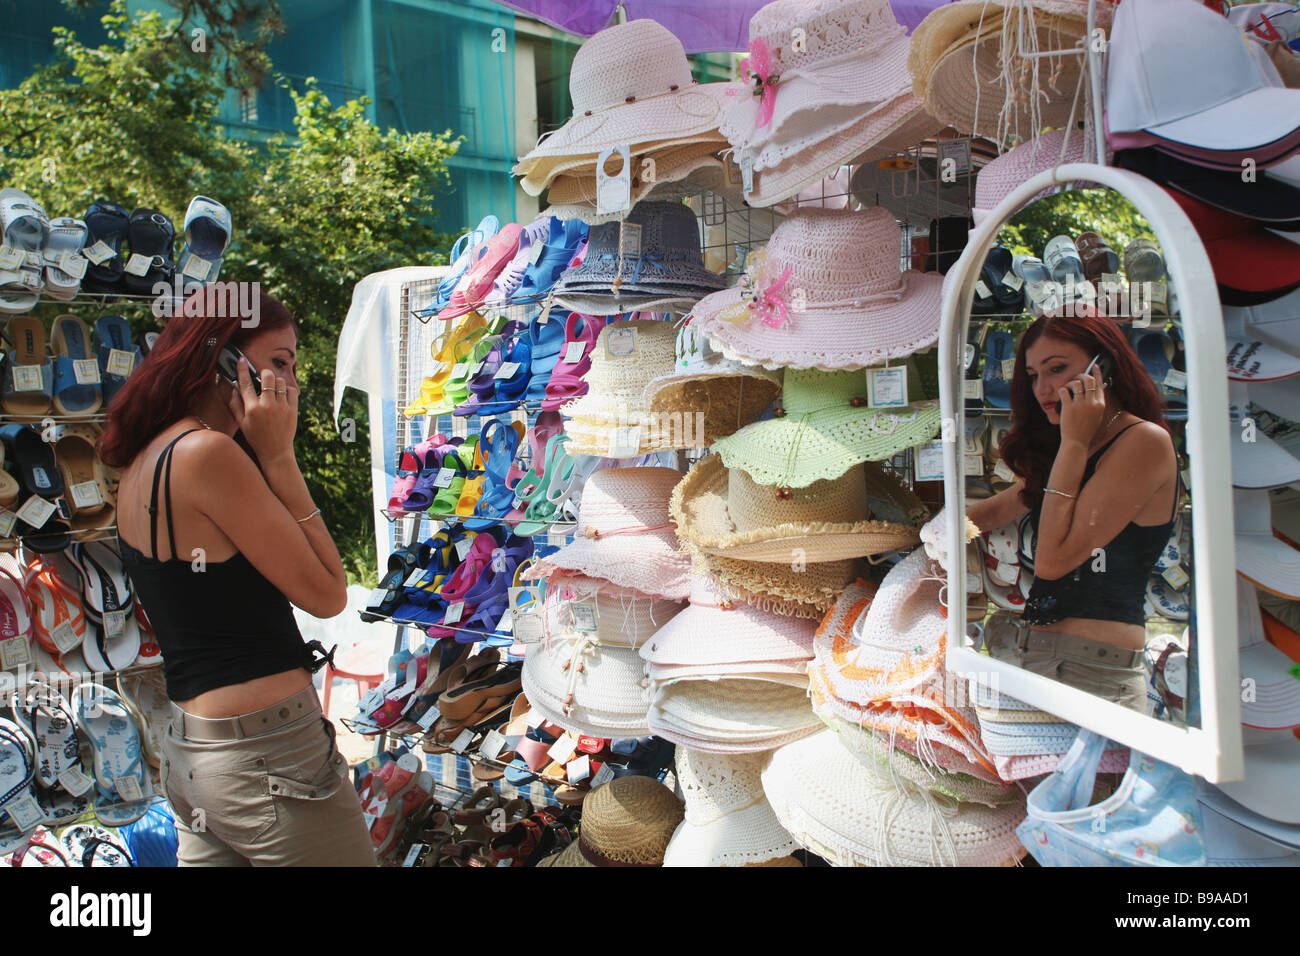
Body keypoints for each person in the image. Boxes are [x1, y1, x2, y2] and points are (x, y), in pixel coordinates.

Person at [98, 287, 375, 866]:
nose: (290, 382)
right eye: (277, 362)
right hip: (270, 758)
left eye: (293, 367)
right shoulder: (209, 456)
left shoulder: (145, 461)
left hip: (196, 756)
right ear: (224, 358)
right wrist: (278, 458)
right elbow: (328, 593)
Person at [966, 310, 1178, 712]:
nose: (1042, 389)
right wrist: (922, 538)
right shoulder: (1082, 446)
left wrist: (1074, 443)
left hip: (1092, 673)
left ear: (1104, 368)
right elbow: (995, 511)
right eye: (1032, 375)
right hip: (1042, 656)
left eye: (1057, 369)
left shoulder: (1142, 442)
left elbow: (1051, 562)